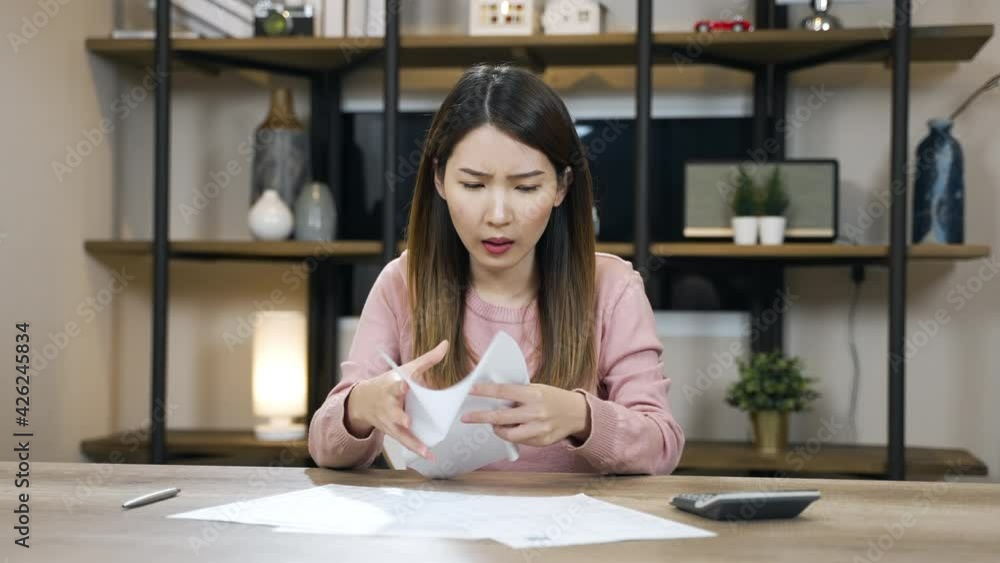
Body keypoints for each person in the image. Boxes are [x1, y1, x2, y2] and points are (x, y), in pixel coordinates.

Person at [307, 63, 684, 475]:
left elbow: (661, 446)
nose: (499, 215)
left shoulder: (612, 289)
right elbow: (325, 448)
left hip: (567, 535)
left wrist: (582, 417)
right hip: (439, 533)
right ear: (439, 179)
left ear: (561, 187)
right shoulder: (402, 283)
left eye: (525, 188)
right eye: (473, 185)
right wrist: (360, 407)